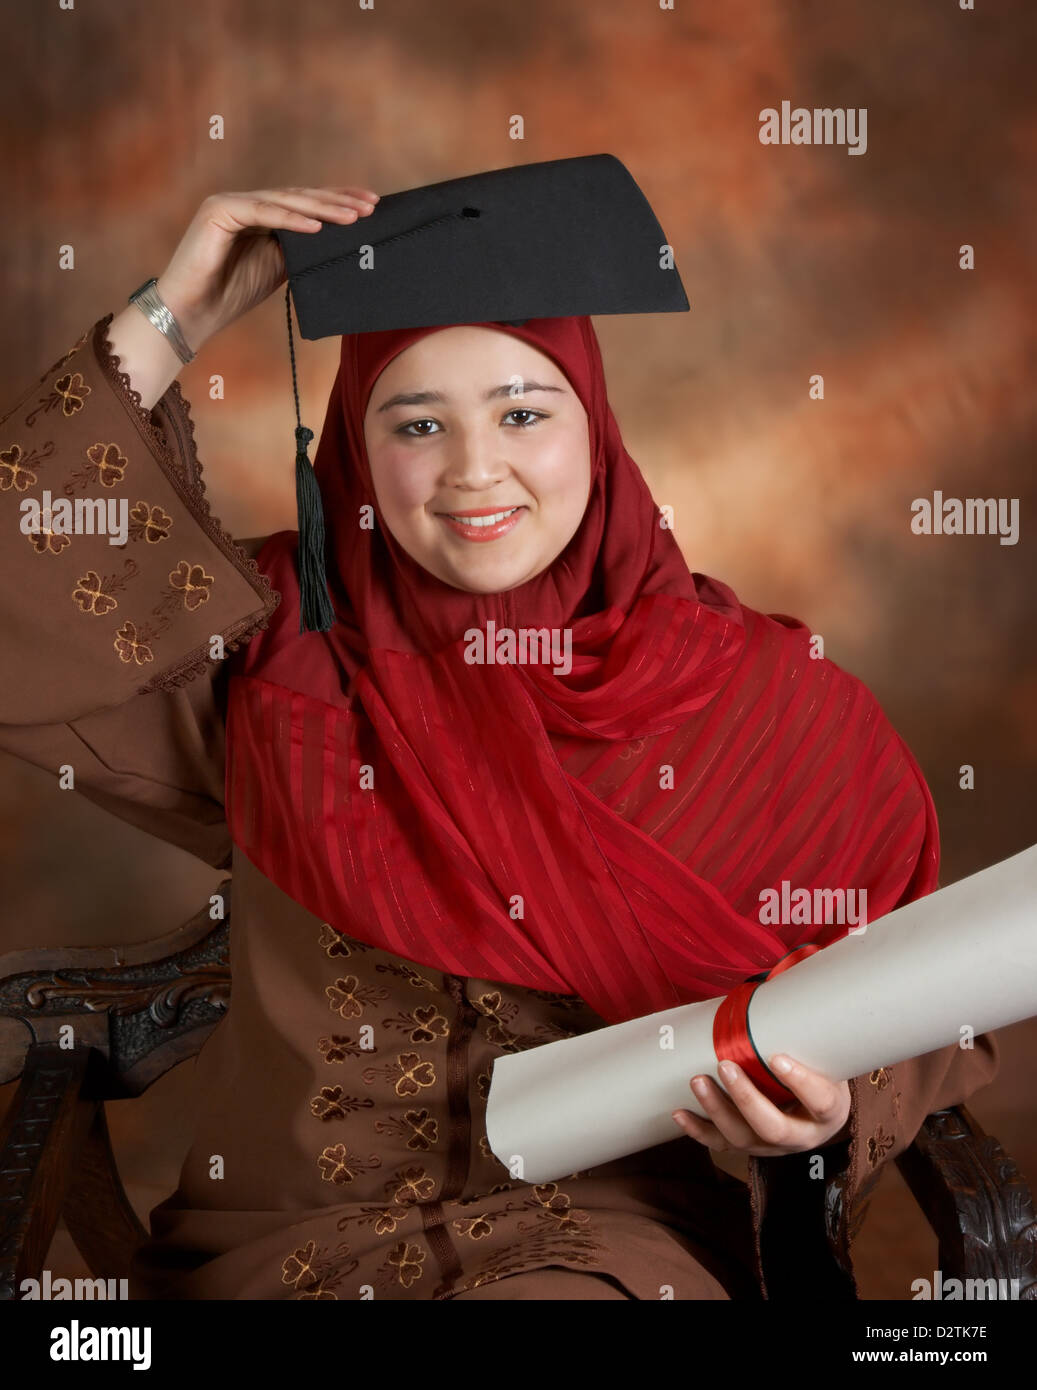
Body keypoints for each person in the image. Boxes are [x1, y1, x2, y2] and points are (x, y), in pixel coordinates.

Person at [0, 180, 999, 1301]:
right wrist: (180, 306)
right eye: (416, 423)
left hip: (598, 1244)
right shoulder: (268, 648)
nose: (473, 469)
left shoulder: (764, 701)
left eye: (523, 412)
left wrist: (832, 1105)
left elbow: (904, 991)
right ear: (354, 448)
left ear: (597, 432)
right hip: (281, 1248)